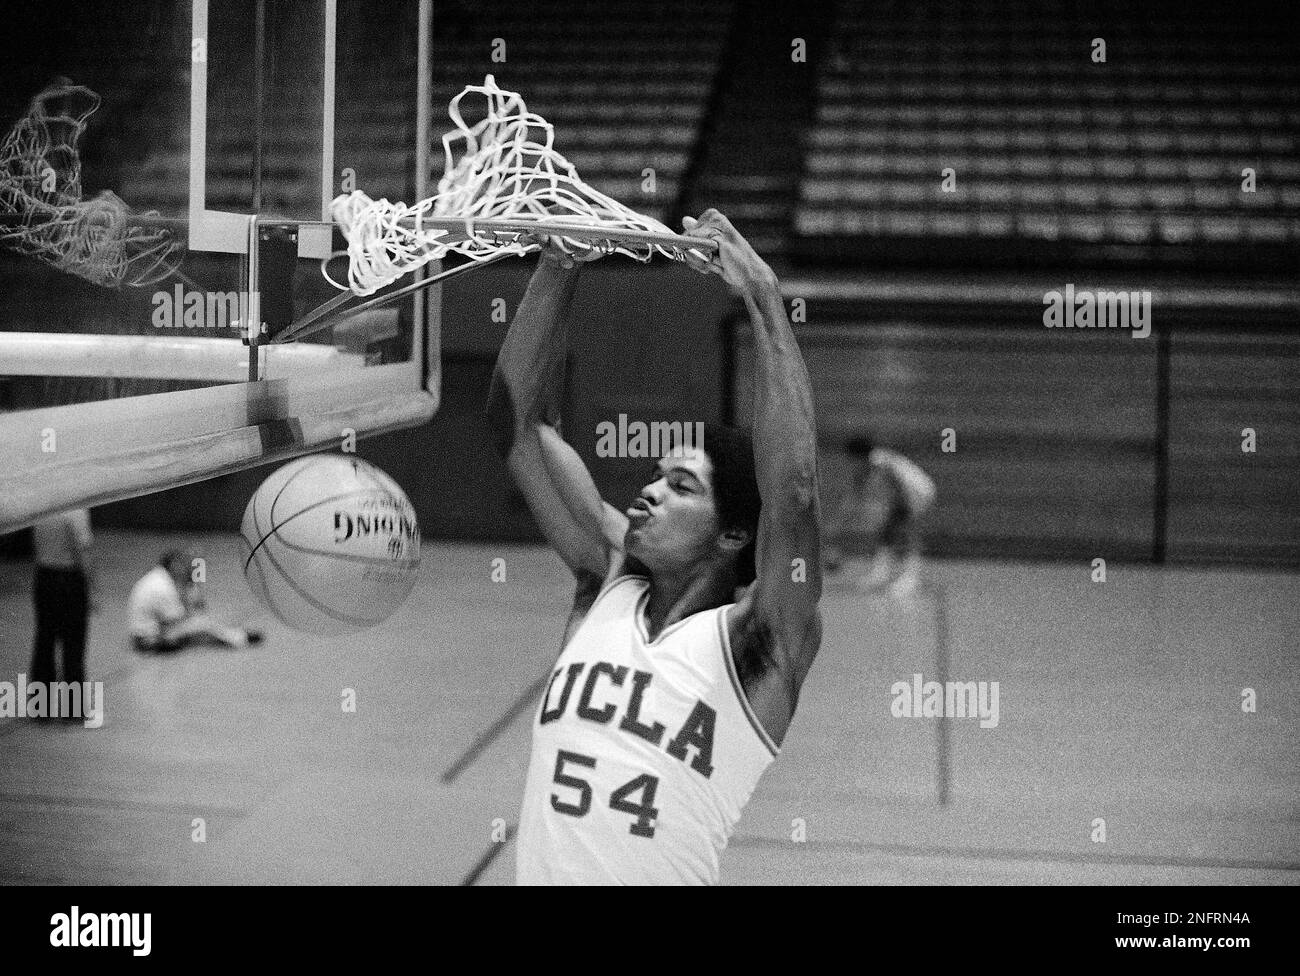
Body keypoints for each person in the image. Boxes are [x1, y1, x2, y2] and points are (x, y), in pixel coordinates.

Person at [488, 210, 822, 885]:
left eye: (680, 486)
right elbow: (513, 422)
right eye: (653, 477)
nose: (648, 494)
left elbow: (795, 491)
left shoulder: (761, 644)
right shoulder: (606, 578)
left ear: (732, 534)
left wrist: (760, 294)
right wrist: (559, 264)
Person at [823, 435, 937, 597]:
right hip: (903, 497)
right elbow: (854, 495)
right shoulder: (869, 463)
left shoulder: (882, 462)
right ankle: (880, 574)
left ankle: (910, 579)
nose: (849, 463)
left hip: (917, 493)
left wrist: (906, 510)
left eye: (850, 458)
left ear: (858, 455)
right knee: (887, 533)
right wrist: (837, 523)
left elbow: (900, 484)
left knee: (906, 535)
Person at [30, 507, 97, 718]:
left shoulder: (41, 509)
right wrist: (92, 590)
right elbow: (82, 553)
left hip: (44, 577)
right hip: (69, 580)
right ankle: (74, 711)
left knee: (45, 642)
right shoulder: (76, 511)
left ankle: (41, 709)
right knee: (73, 646)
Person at [127, 548, 263, 653]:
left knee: (201, 621)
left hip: (149, 632)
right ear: (174, 565)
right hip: (150, 640)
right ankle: (240, 639)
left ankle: (234, 634)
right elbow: (182, 616)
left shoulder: (159, 577)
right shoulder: (162, 587)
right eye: (182, 564)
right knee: (201, 623)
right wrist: (192, 588)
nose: (187, 568)